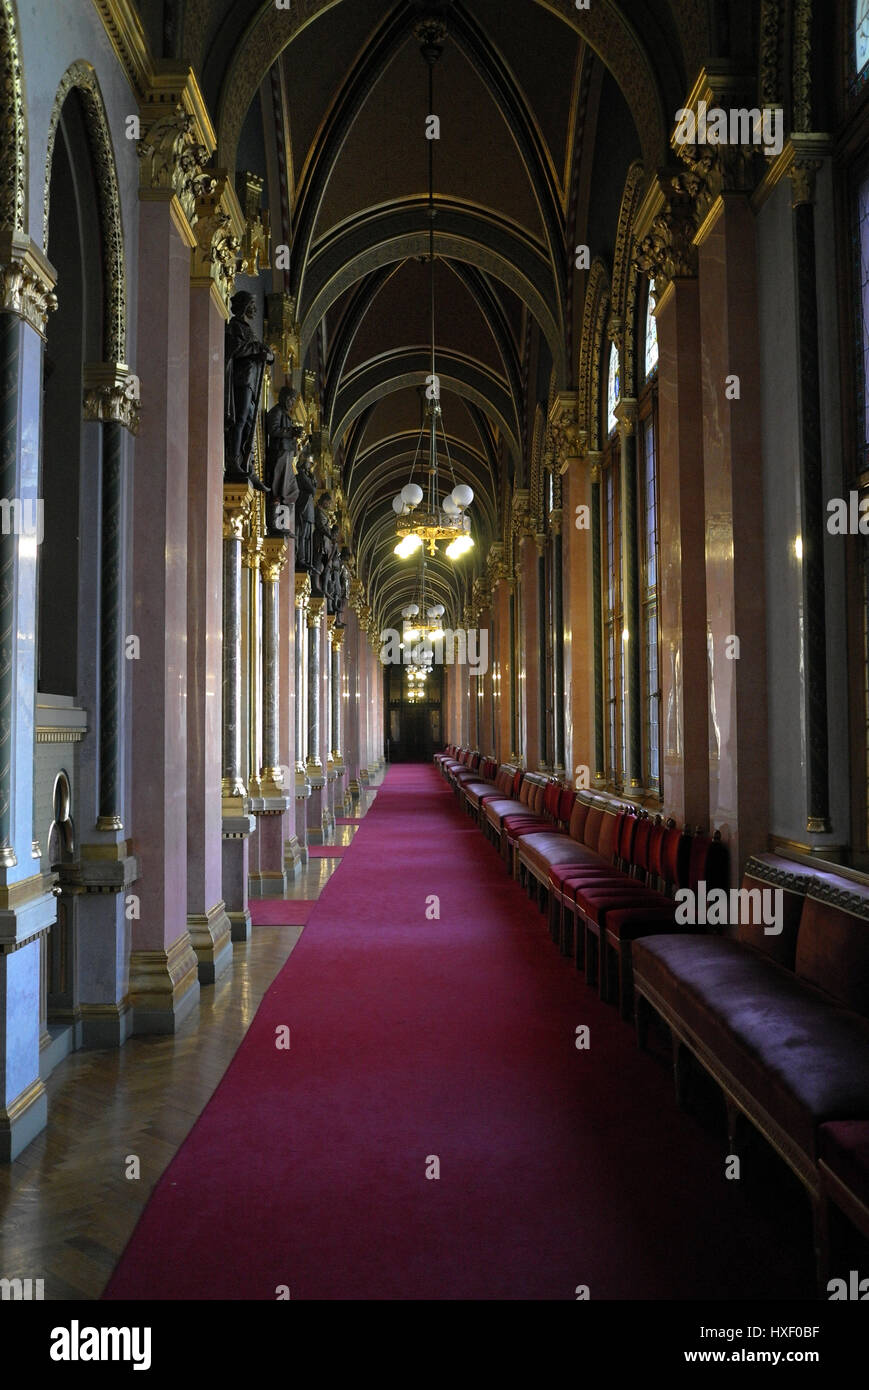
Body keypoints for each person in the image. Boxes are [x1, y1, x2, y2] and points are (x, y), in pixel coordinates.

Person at [224, 291, 274, 488]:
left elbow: (266, 355)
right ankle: (234, 460)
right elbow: (232, 349)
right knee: (241, 420)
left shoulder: (248, 329)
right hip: (241, 380)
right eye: (252, 304)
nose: (255, 308)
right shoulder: (234, 326)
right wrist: (256, 349)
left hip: (252, 382)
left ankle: (248, 465)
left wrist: (268, 355)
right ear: (244, 306)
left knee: (249, 424)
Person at [264, 386, 303, 533]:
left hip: (286, 455)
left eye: (294, 400)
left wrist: (294, 433)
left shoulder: (285, 414)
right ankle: (275, 526)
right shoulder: (277, 412)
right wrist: (290, 432)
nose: (292, 403)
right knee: (278, 489)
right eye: (291, 399)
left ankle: (284, 524)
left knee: (292, 491)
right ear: (284, 398)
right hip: (279, 455)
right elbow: (273, 430)